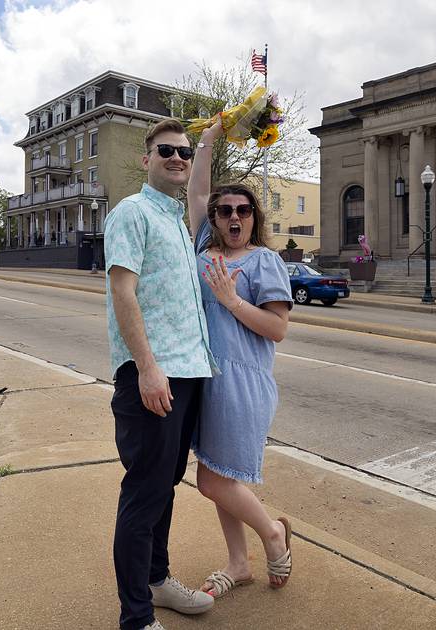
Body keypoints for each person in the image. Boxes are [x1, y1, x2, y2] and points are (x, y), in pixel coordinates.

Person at [106, 118, 217, 630]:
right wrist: (148, 369)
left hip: (189, 372)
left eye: (185, 152)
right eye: (165, 151)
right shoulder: (132, 211)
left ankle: (157, 580)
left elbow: (201, 190)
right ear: (145, 159)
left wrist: (212, 139)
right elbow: (122, 292)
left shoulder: (176, 217)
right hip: (153, 374)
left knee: (166, 484)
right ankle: (137, 617)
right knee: (145, 491)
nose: (177, 158)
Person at [186, 120, 294, 600]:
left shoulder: (263, 262)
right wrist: (207, 142)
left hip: (243, 384)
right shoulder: (203, 252)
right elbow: (195, 194)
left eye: (243, 211)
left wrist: (232, 301)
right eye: (224, 211)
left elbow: (277, 329)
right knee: (219, 473)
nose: (234, 218)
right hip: (204, 380)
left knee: (211, 479)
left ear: (254, 217)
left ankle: (271, 533)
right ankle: (238, 563)